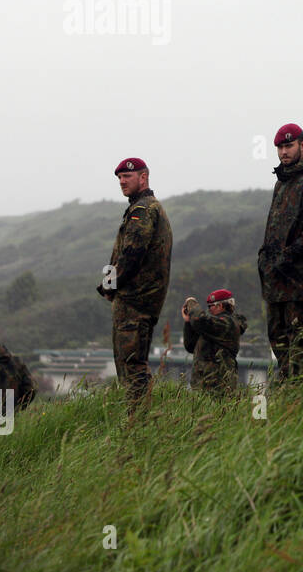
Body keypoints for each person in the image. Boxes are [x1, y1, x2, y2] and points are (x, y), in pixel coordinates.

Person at [258, 123, 303, 380]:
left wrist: (289, 256)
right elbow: (275, 227)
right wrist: (265, 258)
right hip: (276, 279)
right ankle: (288, 394)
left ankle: (301, 395)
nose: (283, 152)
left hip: (300, 279)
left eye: (288, 146)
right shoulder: (282, 183)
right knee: (278, 342)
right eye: (279, 147)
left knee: (298, 345)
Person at [98, 157, 172, 414]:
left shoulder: (143, 210)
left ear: (144, 177)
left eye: (127, 176)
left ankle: (138, 420)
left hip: (136, 301)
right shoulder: (138, 209)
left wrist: (108, 286)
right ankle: (134, 417)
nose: (121, 181)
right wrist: (107, 284)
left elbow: (130, 255)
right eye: (119, 177)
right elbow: (118, 255)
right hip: (134, 300)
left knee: (133, 365)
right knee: (129, 364)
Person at [182, 289, 247, 396]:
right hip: (203, 385)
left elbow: (200, 319)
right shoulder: (213, 327)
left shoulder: (228, 324)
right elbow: (190, 346)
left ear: (220, 306)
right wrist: (188, 322)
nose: (209, 310)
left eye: (210, 306)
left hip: (219, 386)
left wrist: (191, 303)